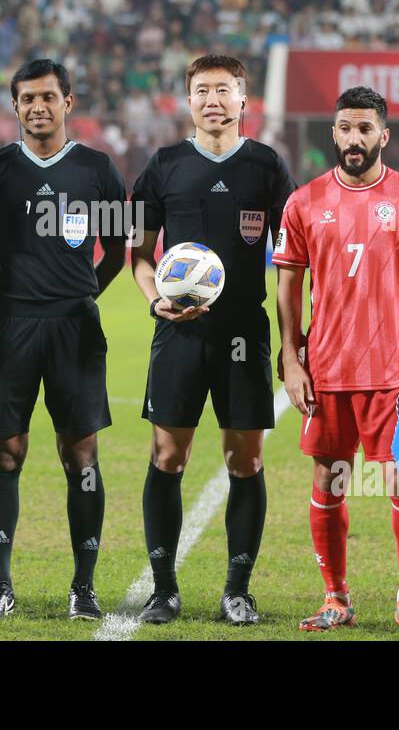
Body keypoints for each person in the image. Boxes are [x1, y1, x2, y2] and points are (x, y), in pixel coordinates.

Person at [274, 86, 399, 635]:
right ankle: (336, 599)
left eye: (365, 129)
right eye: (346, 128)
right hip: (326, 370)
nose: (355, 139)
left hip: (397, 370)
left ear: (384, 135)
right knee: (328, 482)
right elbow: (287, 285)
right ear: (334, 133)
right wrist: (291, 356)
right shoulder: (302, 202)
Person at [0, 58, 128, 620]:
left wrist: (79, 297)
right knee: (5, 452)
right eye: (27, 98)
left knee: (80, 453)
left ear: (68, 102)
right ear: (15, 107)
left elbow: (118, 254)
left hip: (74, 327)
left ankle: (84, 586)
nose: (38, 106)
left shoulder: (98, 170)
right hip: (10, 326)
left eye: (48, 97)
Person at [130, 54, 296, 626]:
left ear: (244, 101)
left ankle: (237, 591)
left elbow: (292, 259)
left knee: (244, 460)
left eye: (224, 91)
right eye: (202, 90)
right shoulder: (165, 164)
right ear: (188, 100)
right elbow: (141, 255)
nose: (213, 101)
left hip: (244, 333)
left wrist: (293, 342)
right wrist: (155, 298)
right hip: (178, 332)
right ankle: (163, 590)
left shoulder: (267, 167)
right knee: (168, 456)